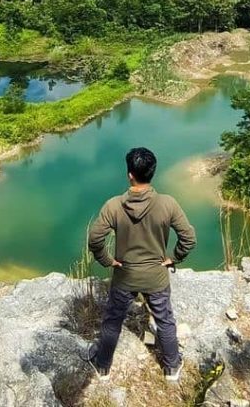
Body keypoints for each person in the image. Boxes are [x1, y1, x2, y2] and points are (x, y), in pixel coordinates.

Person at [84, 146, 197, 382]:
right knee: (165, 320)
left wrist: (107, 260)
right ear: (152, 173)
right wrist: (174, 258)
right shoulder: (168, 204)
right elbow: (189, 238)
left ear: (130, 175)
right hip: (156, 276)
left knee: (113, 320)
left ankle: (103, 367)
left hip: (125, 276)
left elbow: (95, 238)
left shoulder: (114, 205)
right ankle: (171, 368)